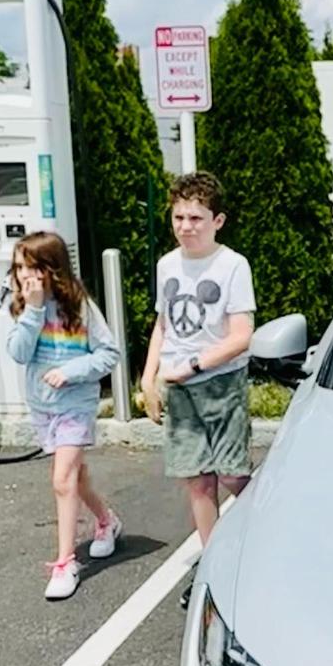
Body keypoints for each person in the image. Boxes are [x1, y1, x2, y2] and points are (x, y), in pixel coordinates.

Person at [4, 231, 122, 599]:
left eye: (31, 268)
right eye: (19, 267)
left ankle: (65, 562)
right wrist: (34, 309)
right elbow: (19, 353)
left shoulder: (80, 305)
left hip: (76, 404)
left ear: (51, 270)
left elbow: (109, 353)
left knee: (62, 478)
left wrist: (71, 371)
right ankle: (107, 521)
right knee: (77, 477)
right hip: (43, 406)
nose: (24, 275)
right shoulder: (27, 307)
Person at [141, 172, 255, 548]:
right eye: (179, 218)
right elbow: (163, 323)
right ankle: (214, 557)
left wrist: (193, 366)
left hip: (220, 385)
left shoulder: (233, 265)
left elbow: (241, 335)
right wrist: (148, 377)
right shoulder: (167, 265)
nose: (186, 227)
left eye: (196, 219)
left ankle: (268, 520)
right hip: (178, 386)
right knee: (198, 479)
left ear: (217, 222)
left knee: (231, 475)